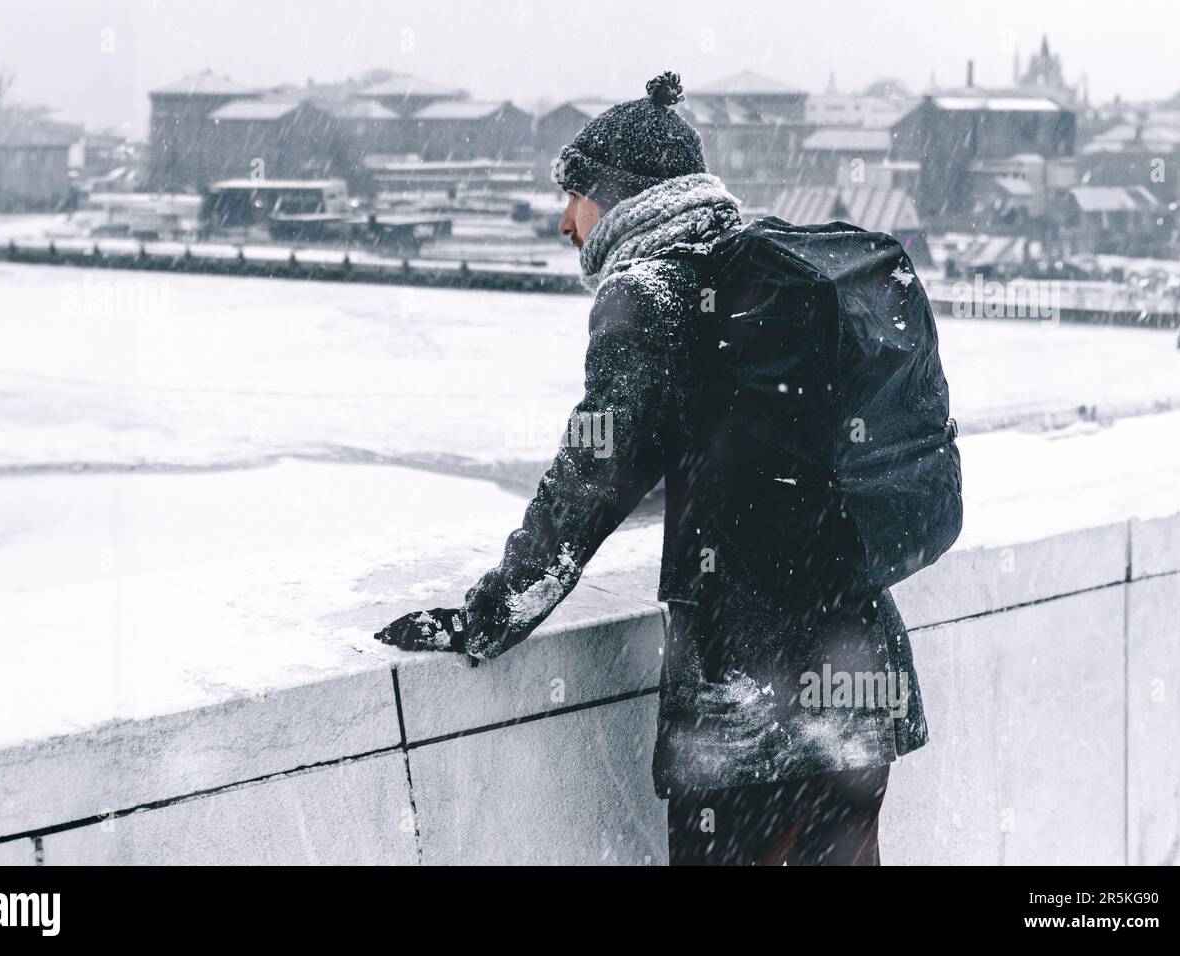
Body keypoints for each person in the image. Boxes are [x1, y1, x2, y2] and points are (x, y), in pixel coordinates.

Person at [374, 70, 929, 866]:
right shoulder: (762, 262)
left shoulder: (652, 292)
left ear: (619, 195)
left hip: (750, 703)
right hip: (858, 670)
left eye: (575, 195)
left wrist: (489, 615)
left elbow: (590, 479)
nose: (566, 221)